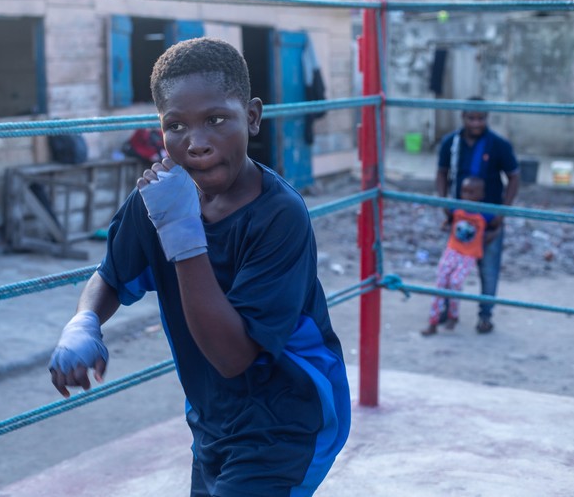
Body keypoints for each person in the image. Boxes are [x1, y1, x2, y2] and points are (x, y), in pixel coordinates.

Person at [49, 38, 350, 496]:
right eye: (177, 125)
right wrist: (84, 322)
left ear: (251, 116)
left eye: (215, 120)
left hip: (289, 416)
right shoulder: (159, 198)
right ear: (161, 129)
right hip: (213, 418)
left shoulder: (279, 214)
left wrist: (182, 233)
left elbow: (234, 358)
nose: (197, 144)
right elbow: (111, 275)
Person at [435, 98, 520, 334]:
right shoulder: (450, 143)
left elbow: (514, 176)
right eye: (471, 117)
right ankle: (446, 310)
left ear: (487, 119)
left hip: (489, 219)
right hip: (459, 219)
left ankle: (485, 316)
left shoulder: (499, 145)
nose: (476, 122)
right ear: (463, 117)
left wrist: (502, 214)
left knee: (489, 269)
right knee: (449, 268)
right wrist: (443, 204)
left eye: (480, 118)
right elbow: (441, 173)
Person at [422, 177, 499, 336]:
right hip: (452, 250)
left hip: (469, 254)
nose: (467, 196)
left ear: (481, 195)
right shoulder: (457, 208)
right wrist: (446, 222)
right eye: (464, 191)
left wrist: (493, 234)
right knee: (441, 281)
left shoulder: (484, 213)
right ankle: (433, 322)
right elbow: (449, 216)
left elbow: (499, 220)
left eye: (472, 192)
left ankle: (453, 315)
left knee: (456, 282)